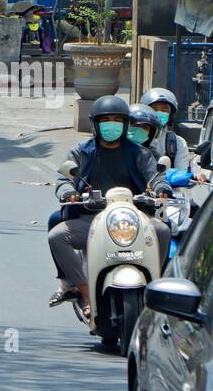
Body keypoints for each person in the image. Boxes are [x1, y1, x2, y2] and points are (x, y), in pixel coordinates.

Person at [48, 94, 173, 313]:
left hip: (135, 218)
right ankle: (84, 292)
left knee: (162, 230)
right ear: (95, 124)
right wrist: (68, 191)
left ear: (125, 124)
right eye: (106, 120)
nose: (111, 125)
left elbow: (156, 177)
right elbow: (64, 179)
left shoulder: (140, 153)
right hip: (91, 219)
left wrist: (162, 188)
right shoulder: (82, 151)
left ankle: (154, 287)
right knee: (57, 236)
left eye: (117, 120)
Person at [142, 87, 198, 174]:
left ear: (170, 114)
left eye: (164, 109)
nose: (159, 112)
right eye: (155, 109)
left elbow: (181, 173)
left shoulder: (178, 143)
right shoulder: (135, 137)